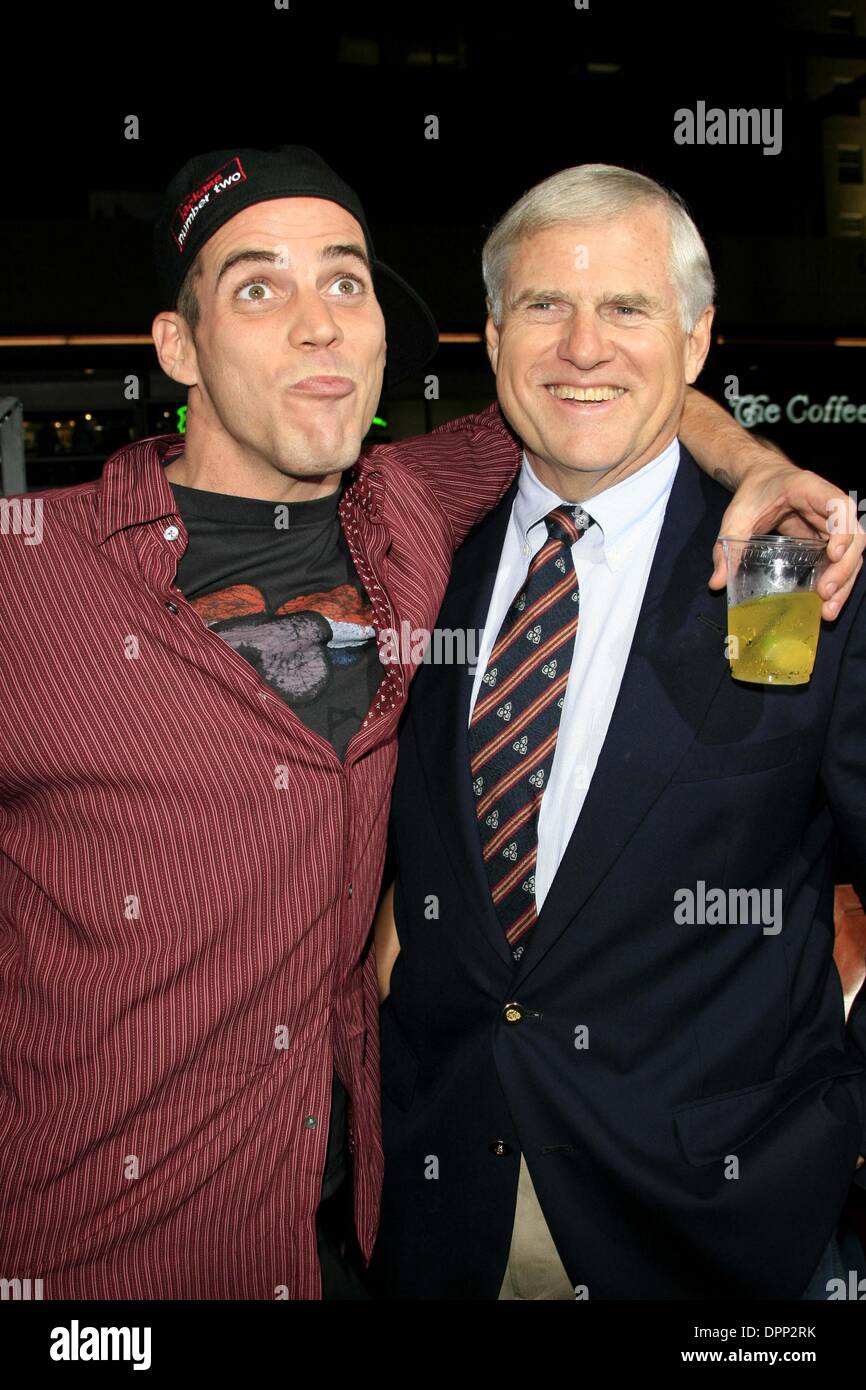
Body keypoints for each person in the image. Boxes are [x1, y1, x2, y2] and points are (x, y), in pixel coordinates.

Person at [0, 146, 861, 1301]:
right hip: (102, 1259)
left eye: (344, 283)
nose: (315, 326)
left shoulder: (413, 518)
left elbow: (609, 386)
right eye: (258, 287)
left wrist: (754, 461)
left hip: (440, 1233)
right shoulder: (33, 577)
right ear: (176, 344)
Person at [370, 163, 866, 1301]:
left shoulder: (793, 574)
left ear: (695, 342)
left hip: (717, 1233)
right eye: (545, 305)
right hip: (441, 1211)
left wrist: (839, 1119)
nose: (582, 346)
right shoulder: (412, 558)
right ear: (492, 335)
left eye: (627, 308)